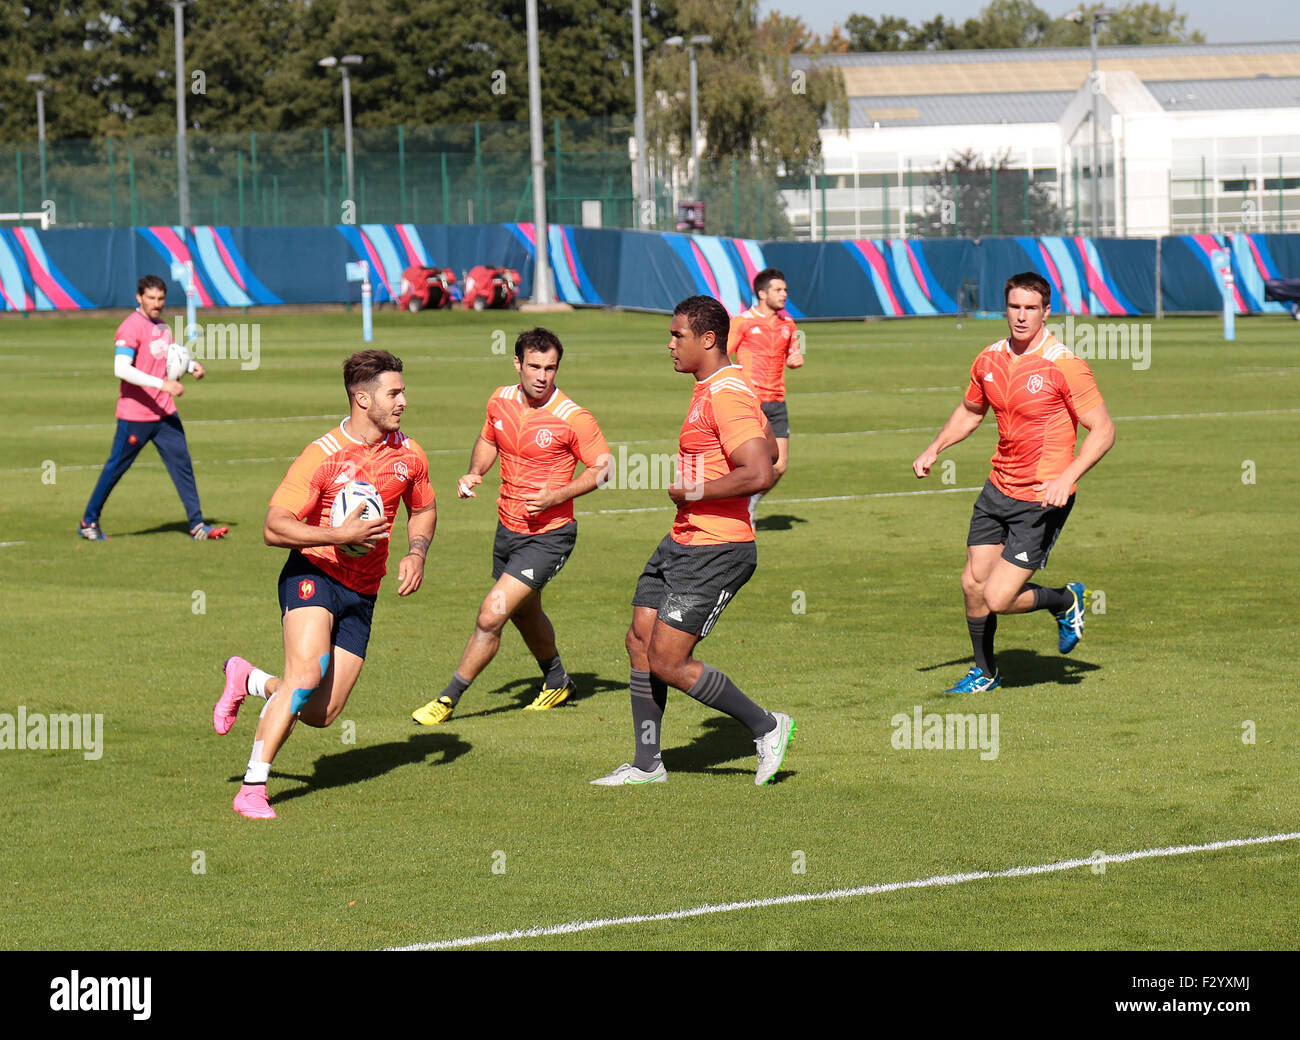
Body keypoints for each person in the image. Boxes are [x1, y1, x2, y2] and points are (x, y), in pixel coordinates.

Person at [213, 349, 436, 819]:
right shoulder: (323, 455)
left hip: (364, 591)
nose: (403, 401)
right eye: (393, 393)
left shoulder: (410, 455)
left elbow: (424, 508)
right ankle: (252, 788)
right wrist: (339, 535)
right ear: (362, 398)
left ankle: (248, 679)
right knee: (305, 675)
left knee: (319, 712)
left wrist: (416, 551)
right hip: (312, 574)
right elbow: (274, 526)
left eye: (402, 391)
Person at [592, 295, 795, 787]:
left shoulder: (727, 394)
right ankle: (647, 764)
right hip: (683, 539)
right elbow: (766, 442)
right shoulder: (717, 387)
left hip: (717, 548)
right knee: (639, 641)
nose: (669, 344)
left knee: (667, 660)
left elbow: (761, 470)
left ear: (708, 339)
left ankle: (767, 726)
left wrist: (695, 488)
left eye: (677, 335)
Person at [912, 272, 1115, 694]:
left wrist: (1068, 476)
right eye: (1014, 307)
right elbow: (971, 411)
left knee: (999, 599)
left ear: (1046, 312)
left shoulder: (1064, 364)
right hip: (997, 490)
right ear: (1005, 308)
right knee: (972, 584)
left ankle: (1064, 600)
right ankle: (984, 673)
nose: (1021, 316)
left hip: (1041, 497)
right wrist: (935, 447)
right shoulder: (989, 359)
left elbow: (1103, 430)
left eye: (1030, 308)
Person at [410, 328, 610, 726]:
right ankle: (558, 680)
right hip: (508, 529)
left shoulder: (574, 417)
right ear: (517, 363)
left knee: (492, 613)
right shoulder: (500, 400)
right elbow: (488, 439)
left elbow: (604, 469)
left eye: (550, 368)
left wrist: (557, 495)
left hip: (549, 536)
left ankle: (448, 699)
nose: (542, 376)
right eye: (534, 366)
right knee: (524, 612)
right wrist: (473, 473)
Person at [79, 274, 228, 541]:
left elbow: (170, 354)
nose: (156, 303)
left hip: (165, 413)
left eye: (160, 298)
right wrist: (163, 384)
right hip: (136, 415)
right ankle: (88, 521)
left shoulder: (162, 327)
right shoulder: (130, 327)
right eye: (151, 298)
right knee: (116, 468)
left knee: (183, 466)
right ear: (139, 298)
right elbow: (121, 369)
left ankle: (197, 525)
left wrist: (192, 366)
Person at [727, 267, 803, 524]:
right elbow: (723, 355)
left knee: (779, 466)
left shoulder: (788, 324)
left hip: (777, 402)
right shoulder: (743, 322)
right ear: (762, 293)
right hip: (751, 403)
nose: (784, 294)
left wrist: (795, 359)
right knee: (745, 463)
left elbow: (794, 353)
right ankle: (729, 511)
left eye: (785, 290)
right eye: (778, 290)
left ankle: (750, 503)